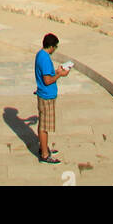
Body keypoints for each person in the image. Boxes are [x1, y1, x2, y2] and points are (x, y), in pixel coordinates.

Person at [34, 32, 72, 163]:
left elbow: (47, 74)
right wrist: (60, 75)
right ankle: (45, 154)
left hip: (43, 94)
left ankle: (43, 147)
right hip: (46, 96)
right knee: (45, 127)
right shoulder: (44, 59)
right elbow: (47, 80)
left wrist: (57, 71)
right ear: (51, 46)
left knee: (42, 124)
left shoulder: (41, 54)